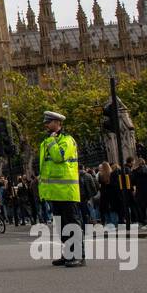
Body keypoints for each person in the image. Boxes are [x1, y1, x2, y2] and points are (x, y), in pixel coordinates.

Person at [38, 110, 83, 267]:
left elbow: (59, 156)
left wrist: (51, 142)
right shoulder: (46, 141)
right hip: (54, 192)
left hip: (67, 191)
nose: (46, 125)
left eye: (49, 122)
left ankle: (78, 255)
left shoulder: (67, 140)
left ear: (57, 123)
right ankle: (68, 253)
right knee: (62, 226)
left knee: (72, 223)